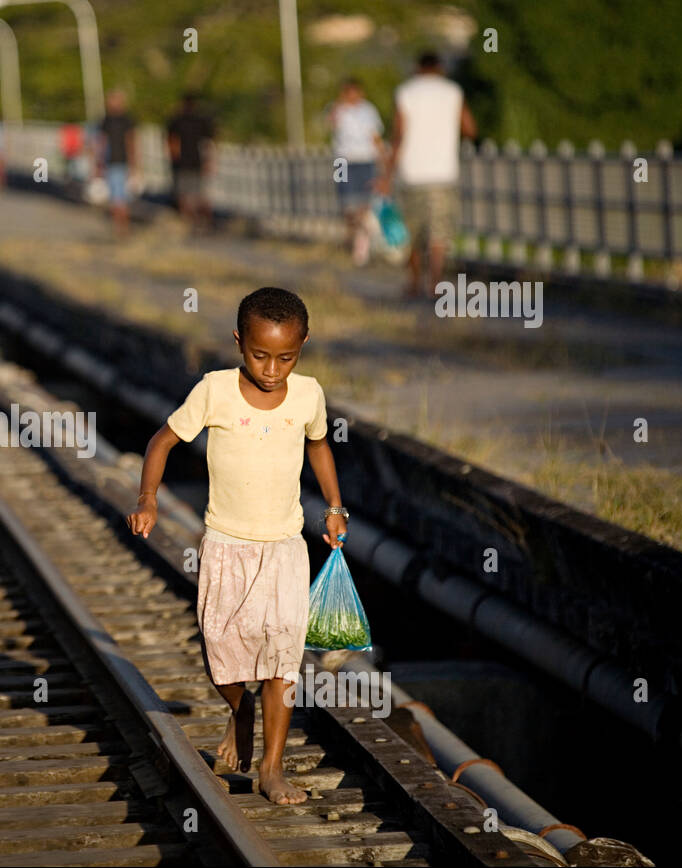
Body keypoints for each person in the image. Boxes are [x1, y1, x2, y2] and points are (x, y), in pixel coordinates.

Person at [125, 288, 348, 805]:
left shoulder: (309, 395)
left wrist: (334, 506)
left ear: (303, 345)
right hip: (226, 545)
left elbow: (318, 445)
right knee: (221, 653)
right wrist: (148, 499)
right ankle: (240, 709)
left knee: (282, 657)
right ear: (238, 343)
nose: (272, 369)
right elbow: (163, 440)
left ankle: (272, 767)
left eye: (286, 357)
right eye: (259, 355)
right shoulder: (215, 391)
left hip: (285, 548)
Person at [379, 52, 477, 297]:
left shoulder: (406, 93)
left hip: (412, 172)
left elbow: (398, 136)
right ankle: (435, 284)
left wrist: (386, 176)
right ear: (440, 68)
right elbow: (470, 129)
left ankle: (414, 283)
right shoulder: (453, 92)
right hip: (443, 172)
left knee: (411, 231)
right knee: (439, 232)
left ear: (417, 68)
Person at [327, 78, 386, 265]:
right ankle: (354, 236)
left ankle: (361, 245)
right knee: (346, 203)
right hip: (342, 161)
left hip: (365, 159)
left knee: (364, 202)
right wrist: (340, 105)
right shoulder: (337, 109)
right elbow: (332, 124)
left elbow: (375, 135)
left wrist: (382, 156)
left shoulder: (368, 110)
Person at [166, 91, 216, 234]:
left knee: (185, 195)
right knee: (198, 195)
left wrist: (174, 158)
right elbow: (209, 143)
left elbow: (171, 143)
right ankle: (201, 223)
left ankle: (192, 222)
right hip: (195, 162)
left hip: (183, 163)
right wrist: (210, 161)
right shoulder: (201, 120)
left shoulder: (176, 120)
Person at [96, 90, 137, 238]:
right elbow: (101, 143)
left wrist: (134, 164)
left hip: (121, 162)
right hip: (110, 162)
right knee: (116, 197)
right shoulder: (106, 120)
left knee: (119, 198)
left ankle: (122, 227)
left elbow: (131, 142)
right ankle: (120, 227)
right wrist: (99, 163)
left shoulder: (126, 120)